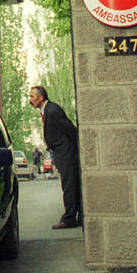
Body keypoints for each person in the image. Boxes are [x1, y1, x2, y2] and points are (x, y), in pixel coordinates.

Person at [28, 86, 82, 229]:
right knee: (69, 184)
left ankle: (70, 218)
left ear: (41, 98)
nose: (30, 100)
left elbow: (70, 129)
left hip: (65, 153)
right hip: (60, 151)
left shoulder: (52, 111)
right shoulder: (47, 110)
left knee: (69, 185)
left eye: (32, 97)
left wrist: (69, 148)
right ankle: (75, 215)